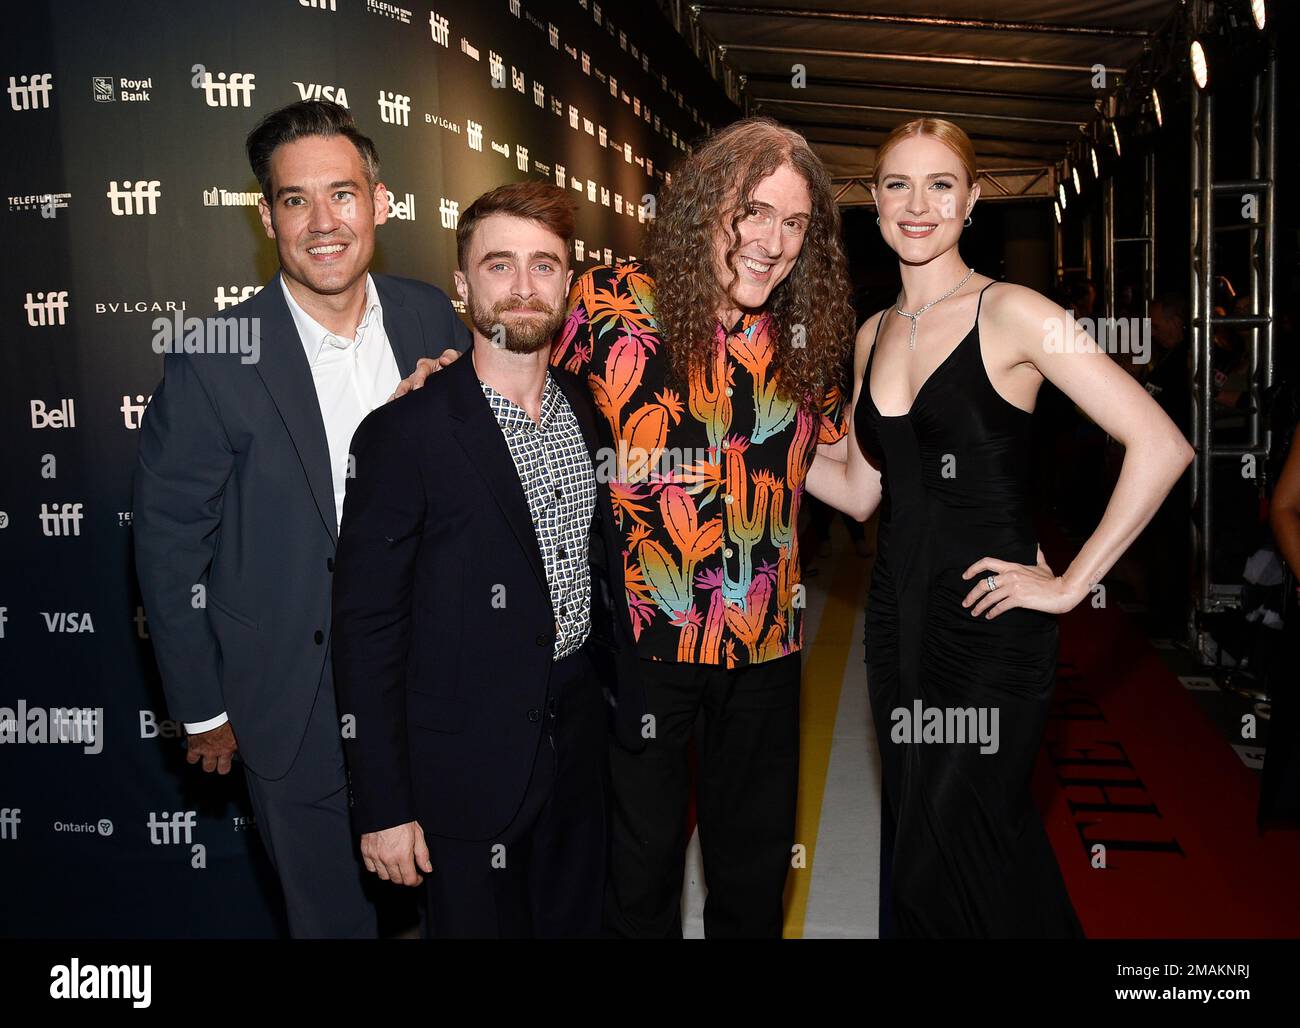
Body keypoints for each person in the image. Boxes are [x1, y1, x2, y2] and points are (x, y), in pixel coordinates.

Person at [806, 118, 1194, 938]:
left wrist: (1069, 582)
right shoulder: (872, 334)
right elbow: (858, 489)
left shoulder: (1012, 311)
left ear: (973, 199)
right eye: (898, 185)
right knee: (928, 828)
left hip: (993, 623)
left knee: (955, 836)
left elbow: (1160, 443)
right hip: (896, 624)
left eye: (940, 184)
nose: (918, 205)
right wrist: (742, 435)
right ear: (872, 201)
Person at [132, 100, 468, 937]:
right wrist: (202, 708)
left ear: (380, 203)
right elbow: (171, 543)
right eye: (295, 200)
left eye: (343, 194)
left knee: (455, 905)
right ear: (266, 214)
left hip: (431, 676)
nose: (323, 223)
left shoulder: (430, 317)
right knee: (332, 921)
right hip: (295, 695)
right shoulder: (217, 357)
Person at [330, 182, 646, 938]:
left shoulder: (587, 407)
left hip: (580, 744)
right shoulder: (404, 432)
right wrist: (384, 807)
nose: (525, 286)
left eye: (545, 265)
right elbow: (366, 631)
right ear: (464, 285)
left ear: (567, 284)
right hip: (461, 768)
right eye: (500, 266)